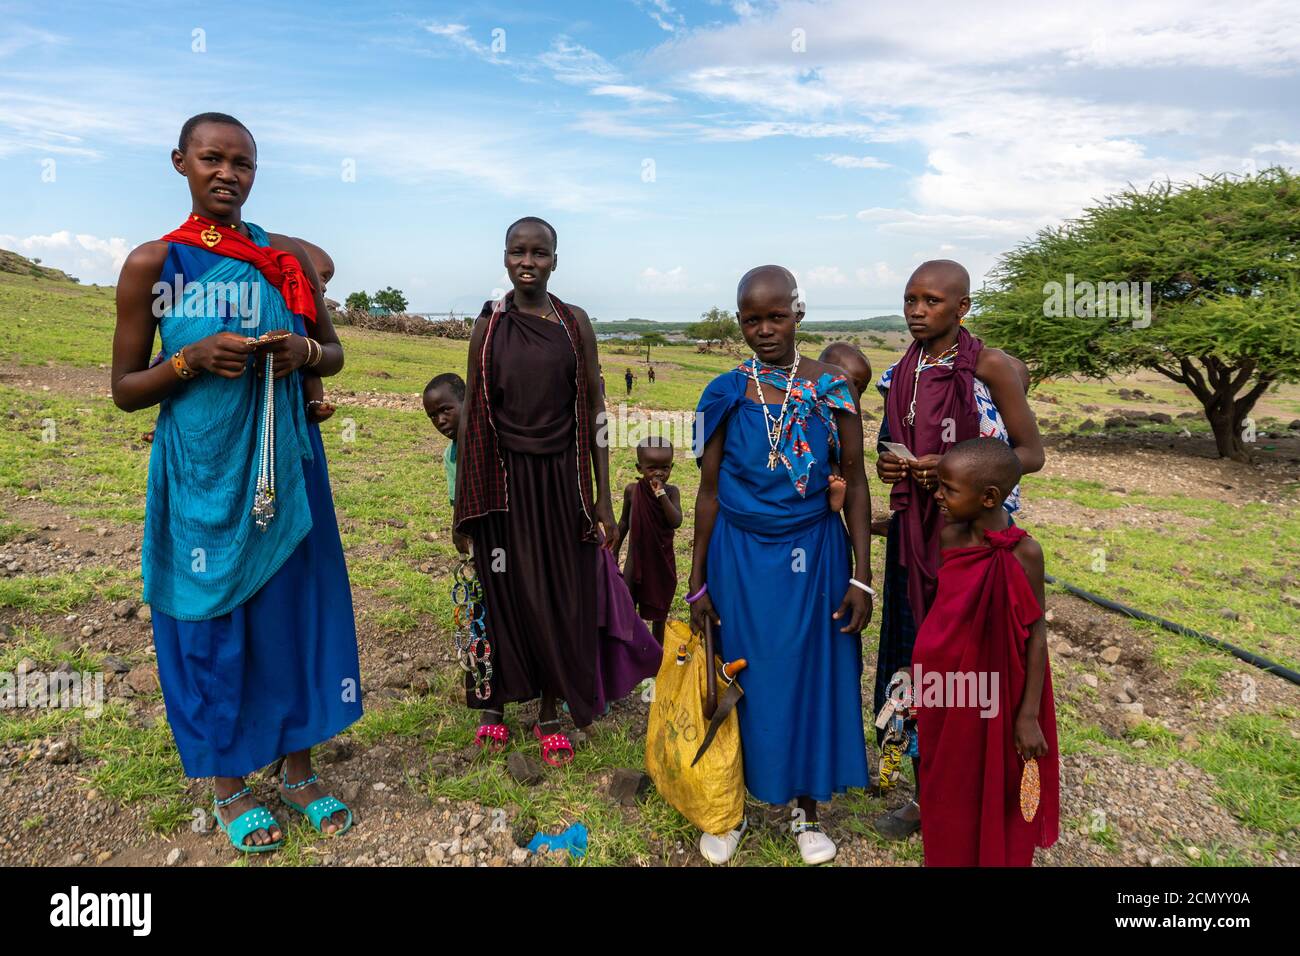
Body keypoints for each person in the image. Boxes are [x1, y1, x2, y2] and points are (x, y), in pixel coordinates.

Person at [111, 112, 361, 853]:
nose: (228, 173)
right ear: (180, 162)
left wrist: (304, 349)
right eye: (212, 159)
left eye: (243, 164)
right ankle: (228, 781)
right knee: (211, 619)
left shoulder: (283, 260)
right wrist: (191, 360)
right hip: (202, 474)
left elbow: (336, 353)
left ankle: (297, 768)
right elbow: (125, 387)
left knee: (295, 616)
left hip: (287, 467)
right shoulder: (155, 265)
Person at [690, 265, 874, 865]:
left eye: (776, 316)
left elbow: (858, 479)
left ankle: (805, 809)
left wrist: (861, 576)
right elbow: (710, 492)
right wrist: (697, 581)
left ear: (799, 311)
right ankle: (730, 808)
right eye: (751, 319)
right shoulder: (722, 393)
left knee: (807, 673)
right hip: (739, 556)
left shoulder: (832, 389)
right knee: (742, 675)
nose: (764, 330)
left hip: (816, 556)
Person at [871, 260, 1044, 841]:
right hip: (912, 535)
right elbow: (883, 452)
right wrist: (893, 463)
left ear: (962, 308)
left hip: (976, 540)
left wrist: (952, 471)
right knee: (917, 655)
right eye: (910, 300)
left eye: (931, 301)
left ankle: (979, 785)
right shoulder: (902, 372)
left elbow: (1030, 453)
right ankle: (925, 791)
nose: (917, 311)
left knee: (974, 665)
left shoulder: (990, 367)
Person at [453, 216, 627, 766]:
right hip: (503, 482)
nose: (528, 261)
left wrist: (601, 496)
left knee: (562, 591)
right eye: (517, 252)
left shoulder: (574, 324)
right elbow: (474, 414)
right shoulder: (489, 324)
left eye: (539, 253)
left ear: (556, 260)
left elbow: (595, 409)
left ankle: (551, 707)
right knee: (501, 587)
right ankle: (496, 703)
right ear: (505, 258)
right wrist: (466, 503)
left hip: (563, 481)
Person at [911, 438, 1058, 865]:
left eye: (948, 489)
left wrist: (1028, 714)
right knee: (947, 775)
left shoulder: (1025, 553)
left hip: (999, 690)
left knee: (997, 777)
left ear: (989, 496)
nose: (938, 495)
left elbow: (1036, 633)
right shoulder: (950, 538)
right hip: (945, 688)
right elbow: (948, 614)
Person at [616, 436, 682, 643]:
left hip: (661, 561)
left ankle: (657, 653)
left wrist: (661, 495)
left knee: (659, 610)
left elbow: (676, 521)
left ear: (671, 466)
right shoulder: (632, 491)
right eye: (652, 468)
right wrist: (613, 550)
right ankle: (627, 649)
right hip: (635, 559)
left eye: (665, 467)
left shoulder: (672, 493)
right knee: (627, 604)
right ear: (639, 468)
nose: (659, 473)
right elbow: (624, 523)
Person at [817, 342, 873, 513]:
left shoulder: (848, 415)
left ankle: (834, 495)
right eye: (849, 383)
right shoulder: (810, 397)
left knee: (835, 471)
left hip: (831, 462)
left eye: (860, 390)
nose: (853, 393)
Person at [423, 372, 468, 553]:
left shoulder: (492, 438)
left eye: (445, 410)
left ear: (468, 401)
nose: (440, 421)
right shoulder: (450, 455)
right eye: (432, 416)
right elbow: (457, 501)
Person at [296, 239, 336, 424]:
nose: (325, 286)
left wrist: (314, 403)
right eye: (323, 277)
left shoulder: (309, 320)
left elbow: (313, 372)